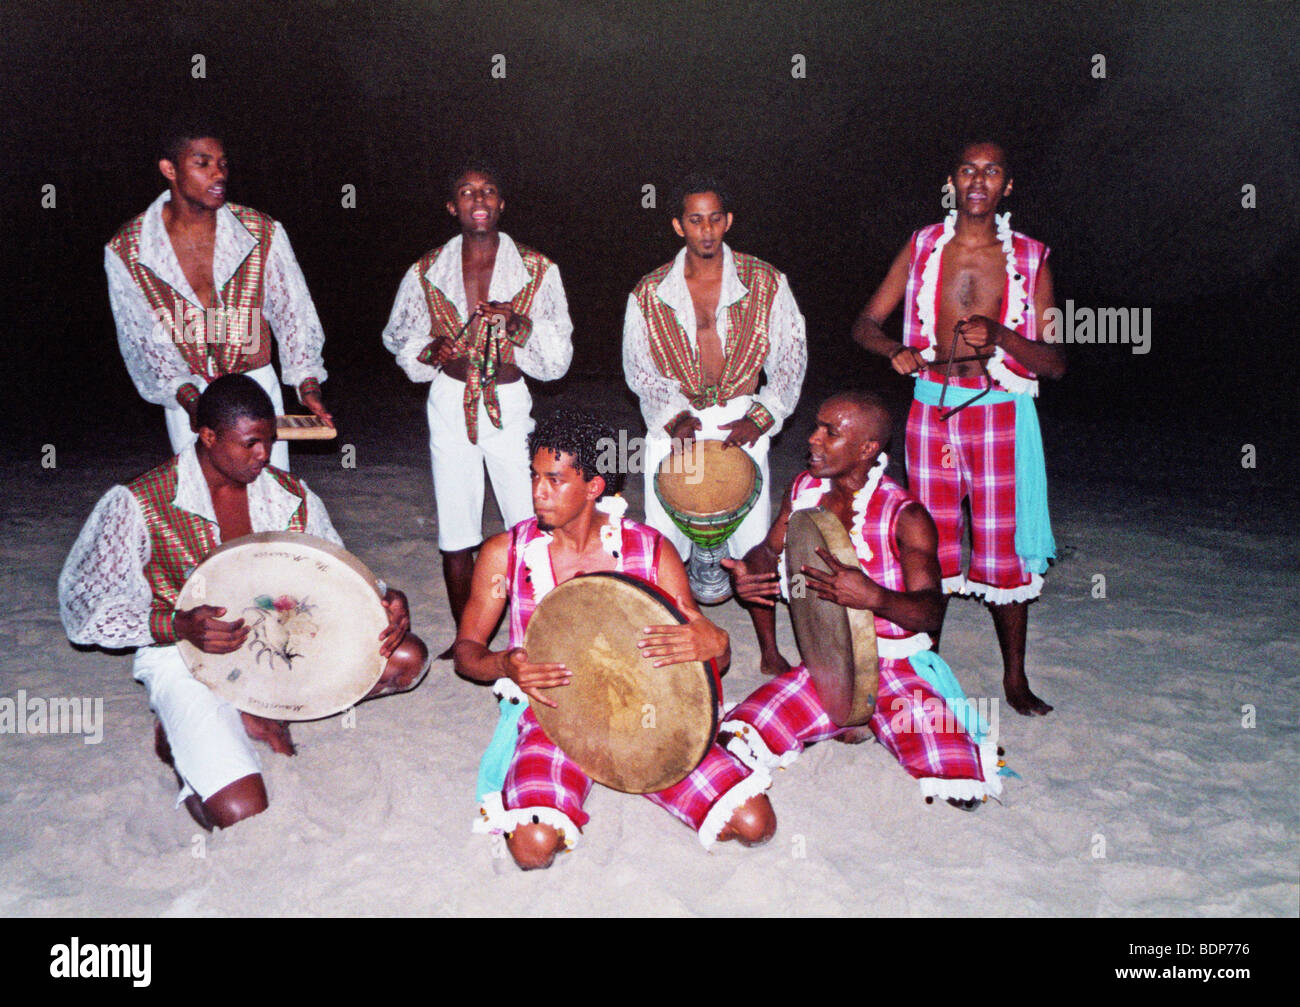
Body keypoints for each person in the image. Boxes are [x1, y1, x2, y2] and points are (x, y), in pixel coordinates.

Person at [59, 376, 427, 831]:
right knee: (240, 813)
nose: (263, 456)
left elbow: (334, 567)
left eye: (269, 441)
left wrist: (385, 595)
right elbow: (83, 609)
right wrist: (174, 625)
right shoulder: (139, 501)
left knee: (406, 659)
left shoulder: (288, 495)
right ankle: (187, 737)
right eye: (250, 444)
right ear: (208, 436)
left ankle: (253, 710)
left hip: (274, 637)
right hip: (185, 653)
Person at [453, 408, 776, 870]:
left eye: (555, 480)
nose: (538, 492)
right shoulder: (506, 552)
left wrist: (717, 643)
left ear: (594, 488)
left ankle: (631, 770)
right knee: (533, 849)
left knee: (753, 823)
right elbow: (466, 655)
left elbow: (708, 652)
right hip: (554, 714)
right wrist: (505, 665)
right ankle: (580, 774)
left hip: (645, 713)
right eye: (534, 477)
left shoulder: (649, 550)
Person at [850, 141, 1066, 715]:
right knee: (929, 544)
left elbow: (1055, 361)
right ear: (952, 180)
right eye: (968, 170)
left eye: (992, 171)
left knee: (1005, 552)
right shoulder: (922, 245)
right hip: (930, 410)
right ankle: (928, 669)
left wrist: (1002, 337)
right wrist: (893, 348)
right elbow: (865, 322)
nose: (978, 181)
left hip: (1000, 411)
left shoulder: (1031, 256)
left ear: (1007, 186)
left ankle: (1014, 680)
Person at [721, 392, 1003, 807]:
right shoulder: (804, 489)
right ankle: (849, 722)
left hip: (894, 664)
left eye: (829, 433)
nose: (813, 439)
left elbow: (930, 612)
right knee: (738, 736)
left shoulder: (904, 515)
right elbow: (768, 550)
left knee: (960, 781)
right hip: (828, 665)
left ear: (868, 449)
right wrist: (752, 573)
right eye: (817, 427)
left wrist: (875, 597)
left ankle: (869, 722)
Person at [383, 163, 573, 657]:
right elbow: (399, 337)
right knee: (456, 519)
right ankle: (467, 636)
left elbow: (558, 357)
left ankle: (541, 629)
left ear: (502, 203)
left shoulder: (536, 269)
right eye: (466, 192)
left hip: (507, 398)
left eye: (488, 190)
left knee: (529, 515)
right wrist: (433, 351)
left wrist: (518, 324)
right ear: (453, 206)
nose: (478, 199)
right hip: (448, 399)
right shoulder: (427, 269)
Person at [105, 124, 332, 472]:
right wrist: (194, 403)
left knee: (270, 499)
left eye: (223, 163)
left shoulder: (260, 231)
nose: (219, 174)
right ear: (170, 170)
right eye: (203, 163)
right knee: (204, 503)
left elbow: (294, 314)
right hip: (187, 392)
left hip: (255, 384)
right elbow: (142, 341)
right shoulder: (130, 248)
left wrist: (308, 387)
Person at [622, 174, 806, 565]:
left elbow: (791, 358)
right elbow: (640, 371)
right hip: (674, 414)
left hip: (739, 413)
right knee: (663, 540)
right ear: (678, 225)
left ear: (728, 221)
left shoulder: (766, 281)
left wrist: (760, 418)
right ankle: (678, 602)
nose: (706, 230)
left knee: (752, 540)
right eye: (695, 220)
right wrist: (675, 419)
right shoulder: (649, 292)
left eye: (715, 218)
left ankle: (740, 589)